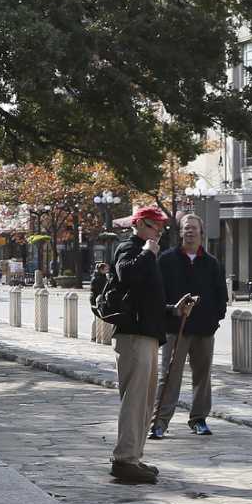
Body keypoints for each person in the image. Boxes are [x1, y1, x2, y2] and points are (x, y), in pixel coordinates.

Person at [104, 205, 197, 485]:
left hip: (146, 333)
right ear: (142, 224)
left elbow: (147, 300)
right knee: (135, 399)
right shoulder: (129, 248)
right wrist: (147, 252)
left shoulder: (144, 252)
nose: (160, 233)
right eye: (157, 227)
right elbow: (126, 275)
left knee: (144, 401)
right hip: (133, 335)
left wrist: (172, 310)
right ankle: (124, 459)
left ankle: (132, 455)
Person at [152, 213, 227, 438]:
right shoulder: (166, 260)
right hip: (176, 329)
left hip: (204, 329)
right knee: (169, 375)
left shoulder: (212, 263)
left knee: (202, 375)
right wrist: (169, 312)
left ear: (201, 232)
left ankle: (199, 419)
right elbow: (157, 293)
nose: (190, 231)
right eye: (186, 228)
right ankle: (159, 422)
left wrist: (214, 319)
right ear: (180, 232)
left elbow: (221, 296)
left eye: (194, 227)